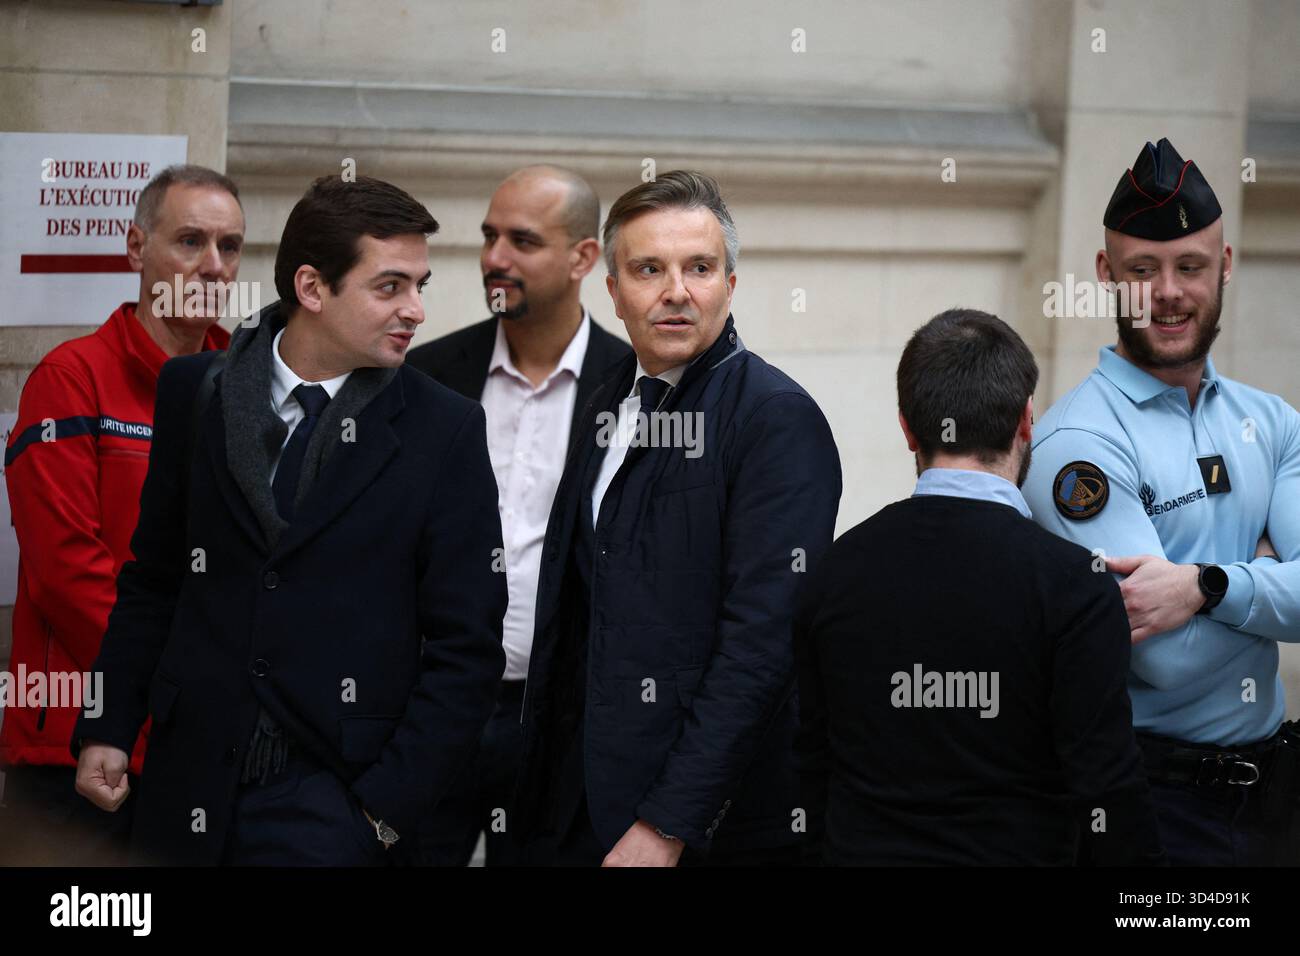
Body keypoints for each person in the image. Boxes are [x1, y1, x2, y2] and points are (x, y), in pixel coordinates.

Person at [71, 175, 507, 865]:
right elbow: (154, 580)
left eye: (419, 284)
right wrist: (109, 724)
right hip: (187, 786)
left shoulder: (443, 428)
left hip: (336, 804)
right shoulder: (194, 392)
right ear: (311, 288)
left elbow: (467, 647)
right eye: (390, 286)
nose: (416, 310)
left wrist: (382, 808)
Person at [513, 170, 842, 866]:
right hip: (572, 807)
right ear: (612, 290)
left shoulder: (775, 420)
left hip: (702, 829)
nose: (676, 291)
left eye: (699, 267)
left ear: (730, 282)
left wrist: (668, 824)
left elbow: (761, 647)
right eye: (648, 269)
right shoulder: (607, 398)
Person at [794, 308, 1163, 866]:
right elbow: (1108, 789)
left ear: (907, 428)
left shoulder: (833, 571)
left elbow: (809, 765)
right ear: (1025, 421)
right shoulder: (1074, 587)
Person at [1024, 138, 1300, 866]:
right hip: (1158, 810)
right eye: (1143, 270)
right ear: (1106, 276)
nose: (1169, 292)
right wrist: (1269, 573)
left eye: (1191, 267)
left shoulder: (1272, 422)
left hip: (1277, 796)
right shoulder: (1078, 446)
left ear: (1227, 266)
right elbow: (1167, 660)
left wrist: (1207, 584)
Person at [0, 165, 242, 866]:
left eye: (229, 247)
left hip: (199, 742)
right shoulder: (72, 378)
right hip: (76, 739)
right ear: (137, 248)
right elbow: (64, 570)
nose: (213, 266)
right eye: (191, 241)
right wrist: (174, 679)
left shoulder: (248, 387)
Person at [406, 165, 629, 865]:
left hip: (559, 720)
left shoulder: (633, 389)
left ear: (583, 258)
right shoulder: (428, 373)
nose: (495, 258)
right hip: (432, 704)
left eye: (522, 241)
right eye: (489, 235)